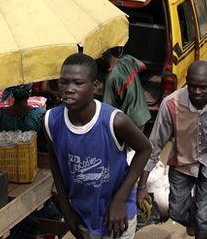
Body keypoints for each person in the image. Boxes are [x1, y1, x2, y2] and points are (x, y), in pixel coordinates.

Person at [46, 54, 152, 239]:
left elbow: (145, 149)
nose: (69, 89)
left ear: (95, 86)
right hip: (83, 216)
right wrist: (66, 209)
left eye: (78, 83)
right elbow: (55, 163)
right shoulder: (51, 121)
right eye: (63, 82)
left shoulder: (114, 121)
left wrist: (119, 200)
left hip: (117, 217)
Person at [138, 61, 207, 239]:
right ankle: (193, 222)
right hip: (181, 164)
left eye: (203, 87)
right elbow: (155, 146)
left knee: (204, 217)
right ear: (186, 81)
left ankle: (200, 223)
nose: (197, 92)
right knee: (176, 212)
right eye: (192, 86)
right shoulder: (170, 105)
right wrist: (142, 185)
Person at [100, 48, 151, 130]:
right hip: (144, 112)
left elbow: (107, 107)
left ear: (102, 57)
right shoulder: (127, 59)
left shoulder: (110, 78)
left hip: (131, 119)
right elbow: (142, 66)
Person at [0, 84, 46, 150]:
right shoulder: (40, 114)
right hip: (33, 156)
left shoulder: (0, 114)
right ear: (29, 93)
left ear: (12, 95)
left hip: (6, 156)